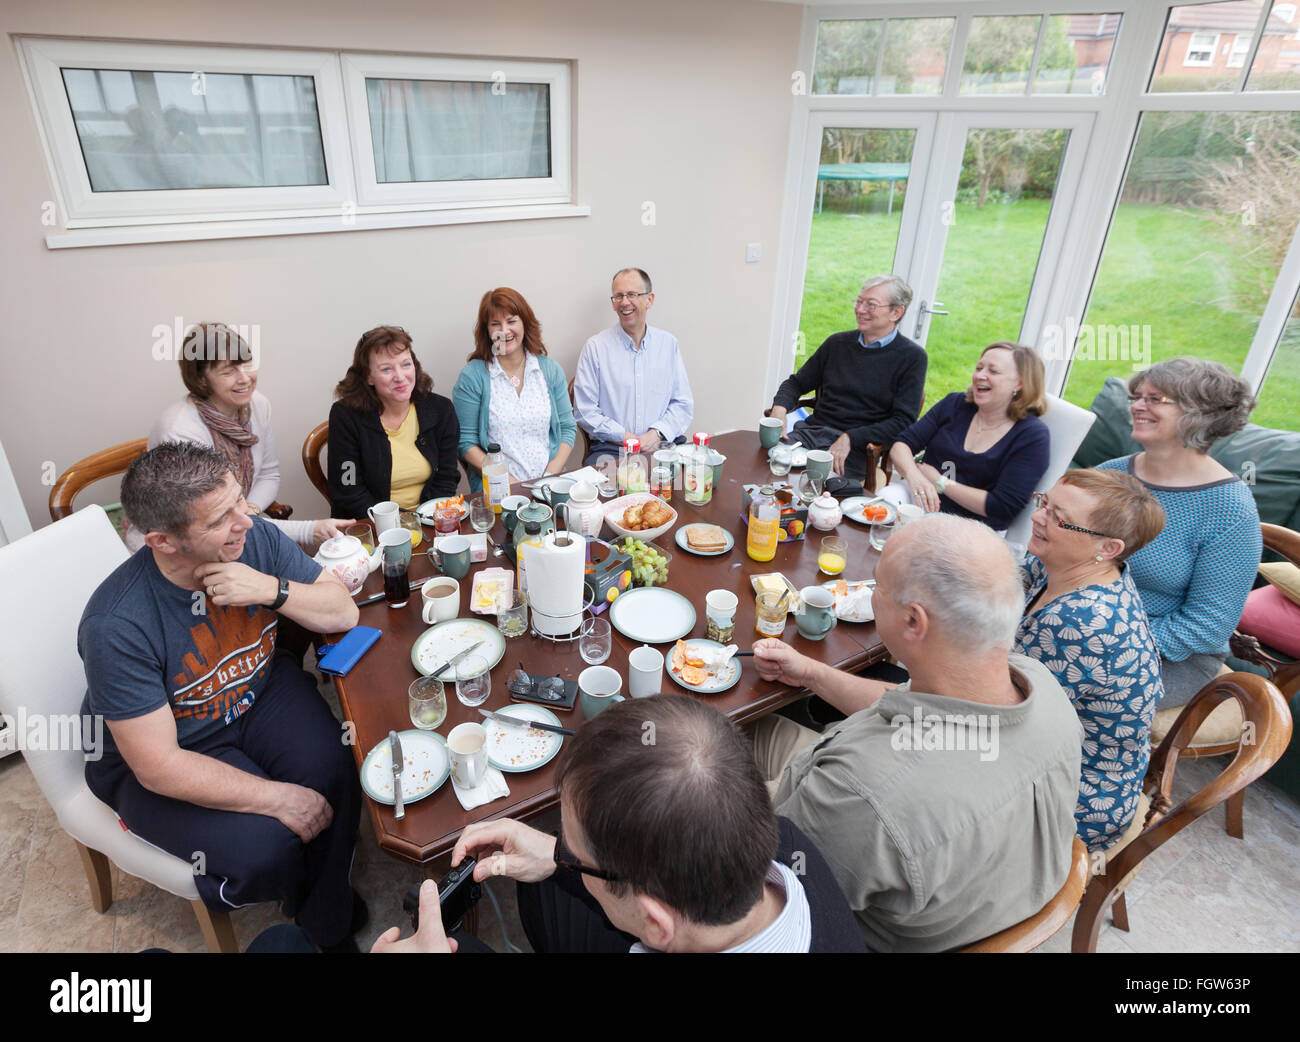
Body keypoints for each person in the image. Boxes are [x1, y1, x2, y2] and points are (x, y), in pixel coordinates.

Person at [750, 514, 1082, 952]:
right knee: (756, 728)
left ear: (913, 621)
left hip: (828, 913)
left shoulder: (861, 797)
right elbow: (917, 711)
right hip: (960, 882)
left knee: (693, 763)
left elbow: (760, 902)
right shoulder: (1035, 684)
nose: (870, 595)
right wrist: (812, 673)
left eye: (876, 586)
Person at [79, 442, 365, 951]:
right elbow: (158, 766)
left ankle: (324, 917)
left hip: (256, 688)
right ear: (163, 541)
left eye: (240, 500)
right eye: (219, 518)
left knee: (338, 769)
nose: (245, 522)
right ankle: (298, 888)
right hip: (169, 747)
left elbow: (342, 613)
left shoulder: (252, 541)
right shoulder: (115, 624)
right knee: (268, 846)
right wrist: (279, 798)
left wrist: (270, 589)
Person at [371, 696, 865, 953]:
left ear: (654, 923)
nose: (562, 851)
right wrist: (556, 856)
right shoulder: (790, 846)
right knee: (542, 889)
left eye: (574, 854)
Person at [1096, 358, 1261, 707]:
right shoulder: (1109, 475)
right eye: (1137, 396)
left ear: (1200, 413)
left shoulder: (1230, 509)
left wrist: (1106, 643)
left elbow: (1208, 624)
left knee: (1046, 690)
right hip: (1078, 621)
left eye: (1155, 399)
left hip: (1167, 656)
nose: (1138, 405)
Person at [1016, 470, 1166, 852]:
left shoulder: (1079, 621)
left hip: (1071, 796)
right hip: (1037, 744)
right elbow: (997, 587)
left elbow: (996, 716)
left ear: (1109, 548)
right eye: (1044, 503)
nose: (1038, 517)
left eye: (1057, 517)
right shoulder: (1061, 564)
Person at [140, 322, 351, 551]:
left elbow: (269, 474)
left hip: (242, 529)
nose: (244, 378)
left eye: (247, 365)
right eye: (229, 371)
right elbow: (210, 521)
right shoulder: (180, 431)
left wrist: (250, 509)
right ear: (202, 380)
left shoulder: (258, 405)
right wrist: (309, 530)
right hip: (188, 544)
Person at [768, 274, 927, 480]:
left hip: (856, 451)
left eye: (871, 305)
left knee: (816, 493)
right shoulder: (837, 344)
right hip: (809, 435)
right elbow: (796, 383)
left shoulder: (912, 357)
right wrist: (779, 410)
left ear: (896, 312)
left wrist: (852, 437)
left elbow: (903, 421)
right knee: (768, 469)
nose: (860, 310)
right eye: (859, 301)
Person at [888, 341, 1050, 531]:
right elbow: (902, 445)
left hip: (972, 528)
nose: (980, 375)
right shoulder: (955, 404)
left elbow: (1001, 506)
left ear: (1020, 383)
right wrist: (914, 475)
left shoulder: (1032, 436)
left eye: (993, 371)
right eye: (979, 368)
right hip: (922, 501)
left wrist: (940, 482)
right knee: (884, 501)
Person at [451, 287, 576, 492]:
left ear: (525, 323)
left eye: (511, 321)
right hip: (498, 488)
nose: (504, 330)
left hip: (549, 485)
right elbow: (465, 442)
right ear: (487, 330)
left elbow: (567, 428)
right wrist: (507, 480)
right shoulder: (473, 376)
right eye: (495, 324)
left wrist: (550, 476)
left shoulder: (549, 370)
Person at [328, 325, 460, 518]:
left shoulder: (441, 410)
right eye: (386, 369)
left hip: (429, 520)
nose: (400, 377)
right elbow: (348, 491)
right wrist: (396, 523)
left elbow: (447, 478)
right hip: (370, 525)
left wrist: (425, 519)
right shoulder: (346, 416)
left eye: (406, 364)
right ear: (368, 377)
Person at [572, 268, 693, 464]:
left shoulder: (668, 344)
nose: (624, 302)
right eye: (618, 296)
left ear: (649, 299)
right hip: (612, 448)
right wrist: (625, 437)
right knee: (604, 489)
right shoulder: (596, 347)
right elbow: (585, 411)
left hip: (661, 444)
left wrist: (656, 434)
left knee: (689, 483)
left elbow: (682, 403)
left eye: (632, 294)